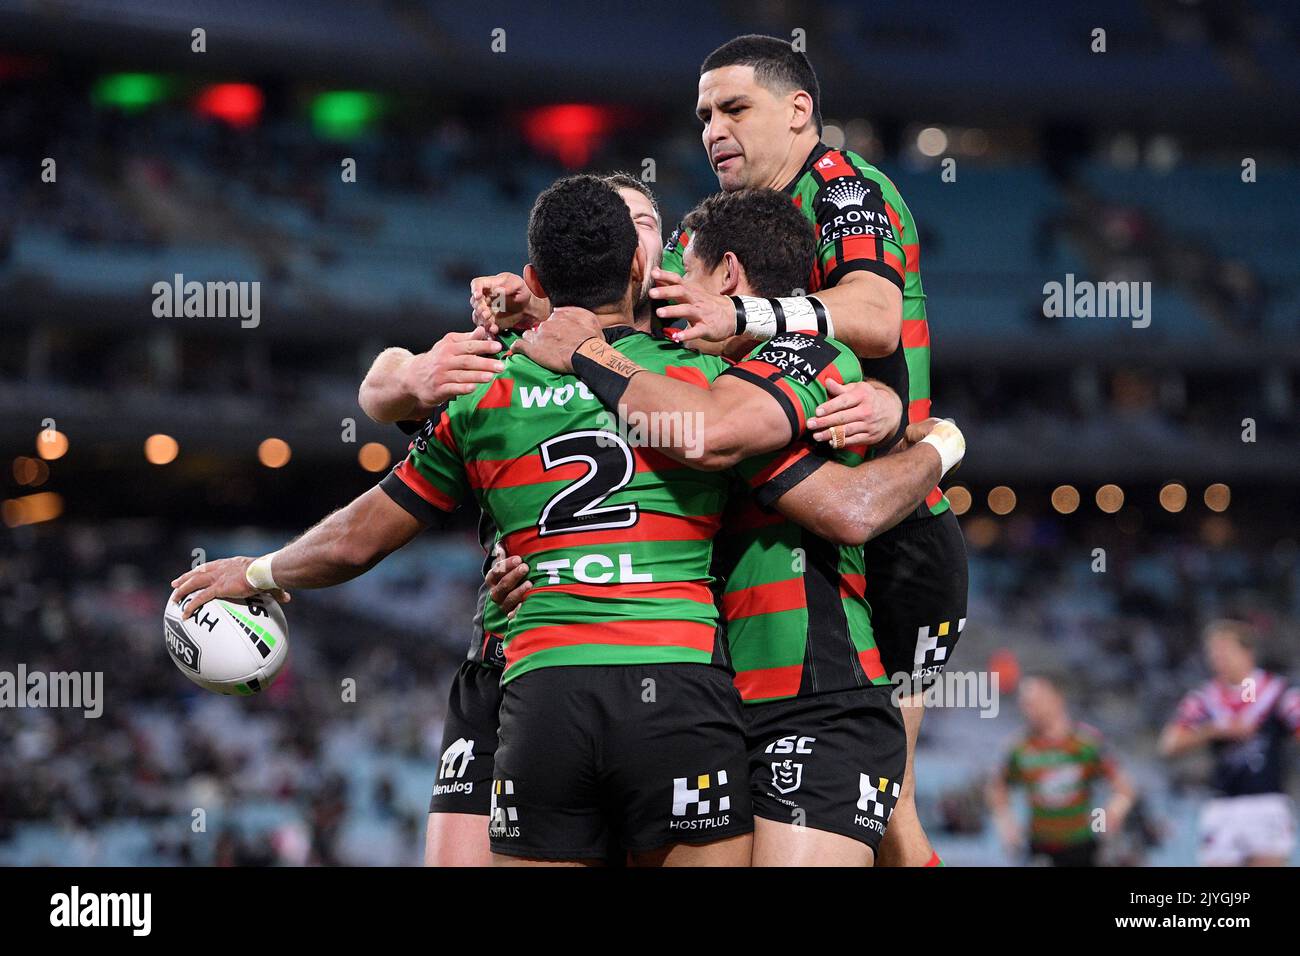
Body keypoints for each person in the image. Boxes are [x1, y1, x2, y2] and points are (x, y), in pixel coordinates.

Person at [172, 175, 957, 866]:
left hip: (541, 694)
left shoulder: (485, 391)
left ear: (537, 277)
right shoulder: (704, 379)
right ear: (638, 271)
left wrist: (257, 571)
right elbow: (807, 476)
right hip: (680, 687)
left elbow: (359, 533)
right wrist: (916, 424)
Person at [477, 35, 970, 867]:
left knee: (895, 803)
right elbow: (626, 326)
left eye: (735, 108)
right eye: (704, 114)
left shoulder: (845, 187)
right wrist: (535, 298)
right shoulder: (707, 238)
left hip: (888, 522)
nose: (713, 130)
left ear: (799, 111)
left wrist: (752, 324)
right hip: (773, 517)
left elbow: (876, 315)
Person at [1159, 619, 1299, 866]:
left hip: (1267, 803)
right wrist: (1214, 731)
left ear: (1248, 652)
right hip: (1223, 805)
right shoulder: (1204, 698)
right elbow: (1169, 744)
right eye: (1213, 653)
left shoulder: (1278, 692)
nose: (1217, 659)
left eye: (1225, 650)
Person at [987, 676, 1134, 866]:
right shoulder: (1019, 747)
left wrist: (1112, 812)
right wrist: (1005, 823)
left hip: (1083, 845)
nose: (1028, 709)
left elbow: (1124, 788)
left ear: (1057, 699)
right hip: (1040, 846)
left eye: (1034, 702)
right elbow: (997, 786)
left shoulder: (1085, 743)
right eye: (1024, 704)